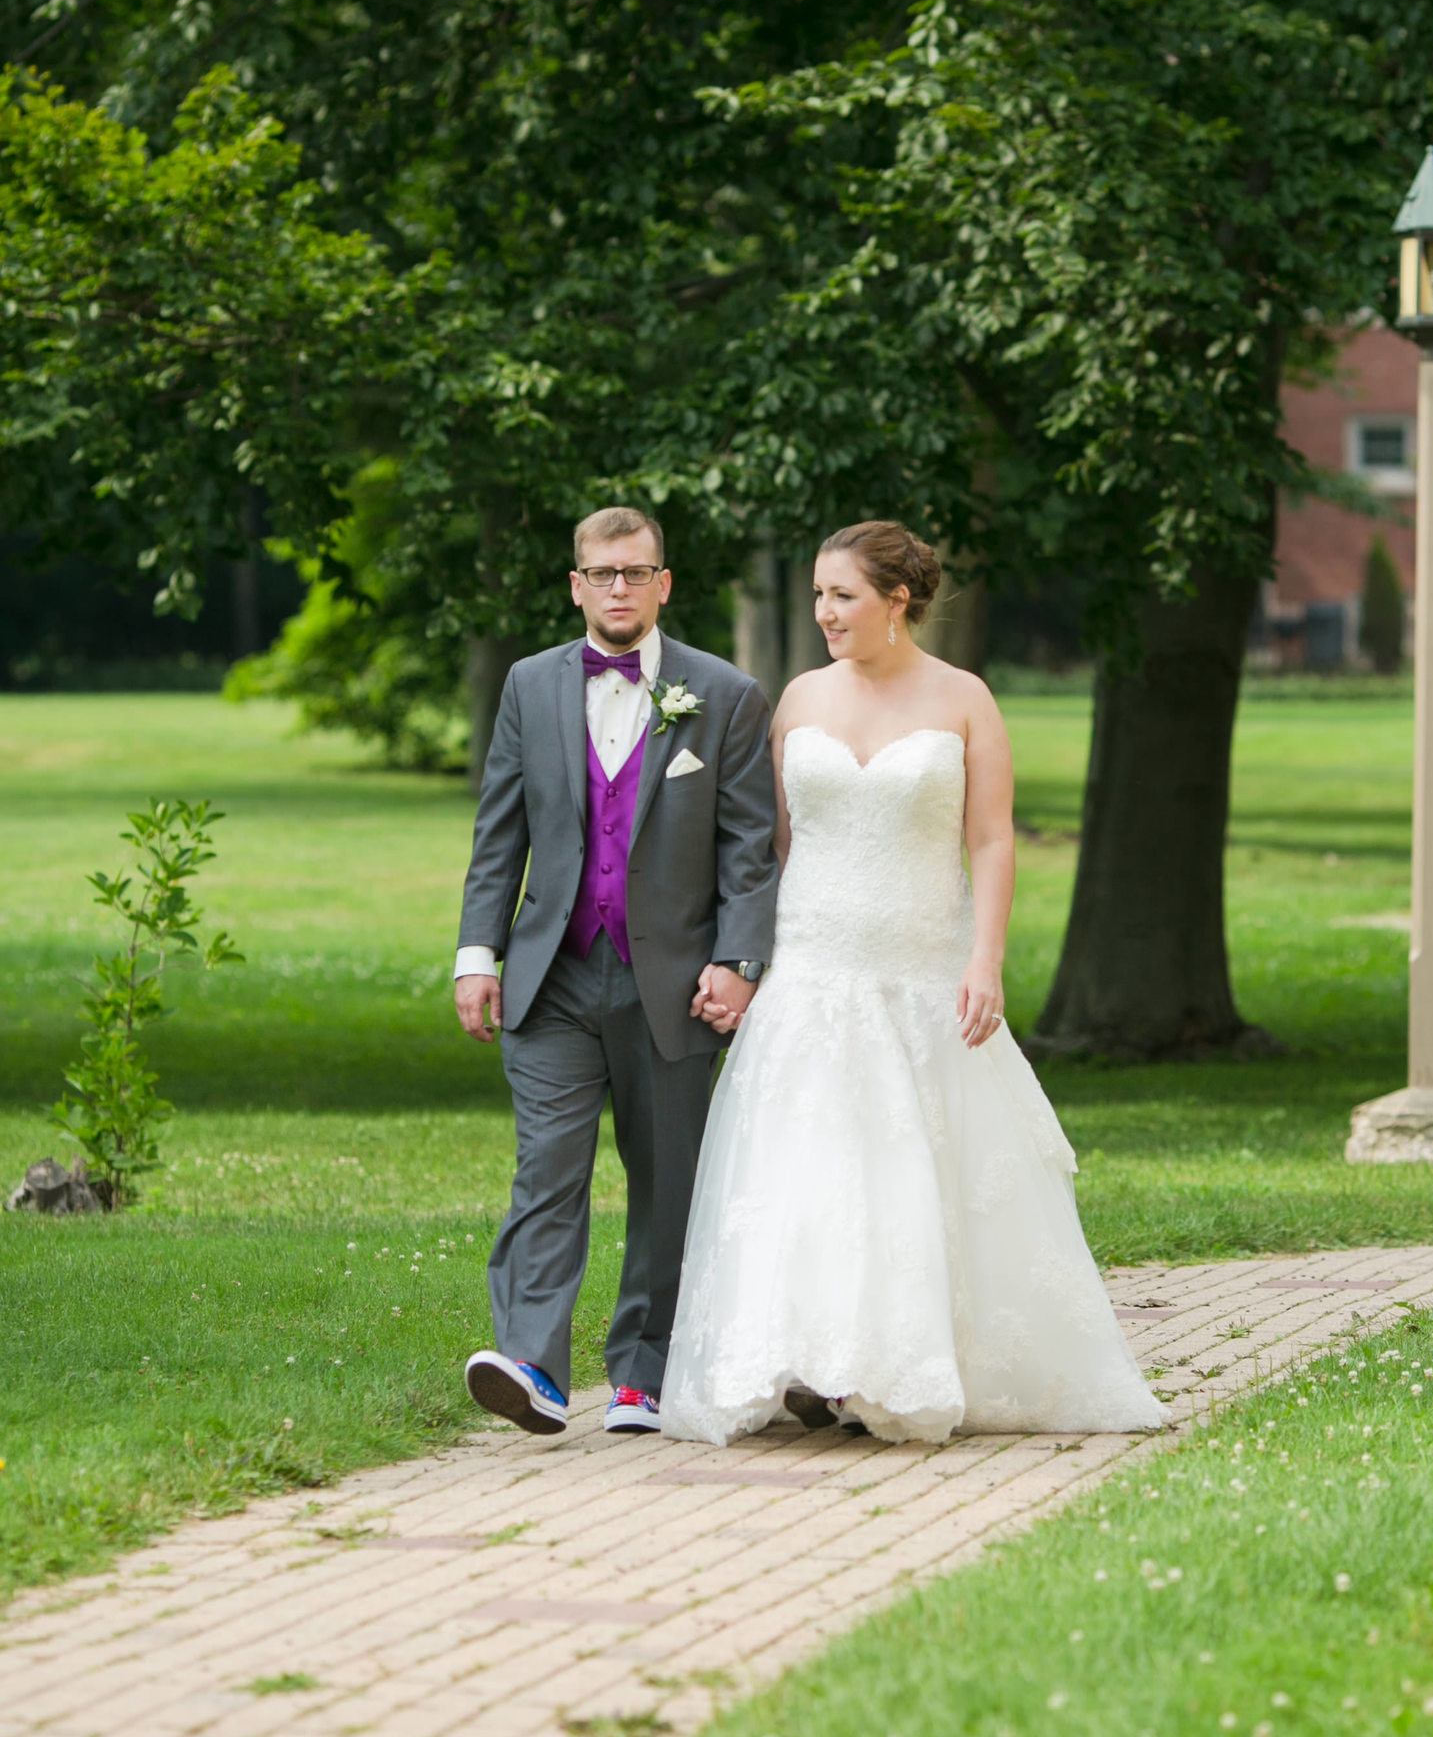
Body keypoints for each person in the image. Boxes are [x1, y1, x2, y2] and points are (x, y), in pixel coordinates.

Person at [661, 520, 1166, 1445]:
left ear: (898, 600)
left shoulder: (964, 698)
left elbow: (990, 838)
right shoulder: (799, 700)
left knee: (908, 1169)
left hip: (921, 965)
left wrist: (985, 957)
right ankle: (807, 1360)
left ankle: (889, 1367)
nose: (823, 612)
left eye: (841, 594)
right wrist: (744, 961)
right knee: (809, 1165)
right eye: (816, 593)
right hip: (813, 967)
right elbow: (765, 848)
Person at [453, 507, 777, 1437]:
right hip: (552, 973)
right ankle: (531, 1365)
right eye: (602, 573)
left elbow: (749, 848)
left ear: (664, 583)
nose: (619, 588)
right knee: (546, 1169)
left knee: (665, 1177)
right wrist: (480, 953)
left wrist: (739, 960)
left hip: (672, 982)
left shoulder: (724, 694)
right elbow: (498, 831)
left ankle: (644, 1372)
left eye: (637, 572)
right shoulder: (529, 684)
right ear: (576, 585)